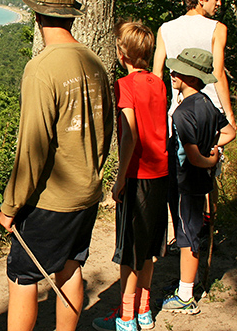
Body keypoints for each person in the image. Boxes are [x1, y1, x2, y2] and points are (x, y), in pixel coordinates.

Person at [0, 0, 114, 331]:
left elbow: (33, 147)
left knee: (22, 276)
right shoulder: (95, 63)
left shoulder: (41, 69)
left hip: (50, 200)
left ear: (38, 18)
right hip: (86, 191)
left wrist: (11, 206)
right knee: (70, 267)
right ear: (70, 18)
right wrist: (91, 170)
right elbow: (105, 131)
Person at [92, 21, 169, 331]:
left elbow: (129, 136)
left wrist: (120, 177)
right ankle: (144, 310)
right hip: (161, 175)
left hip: (138, 178)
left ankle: (126, 318)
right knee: (149, 248)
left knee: (129, 254)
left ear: (122, 53)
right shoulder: (159, 84)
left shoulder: (125, 86)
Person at [160, 48, 236, 315]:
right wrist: (213, 147)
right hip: (199, 182)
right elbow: (229, 131)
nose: (172, 74)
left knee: (186, 236)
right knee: (190, 231)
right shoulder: (207, 103)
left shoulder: (182, 114)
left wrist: (209, 159)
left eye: (177, 71)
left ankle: (185, 296)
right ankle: (186, 282)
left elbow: (192, 157)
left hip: (185, 182)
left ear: (190, 77)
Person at [153, 0, 236, 129]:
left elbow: (157, 76)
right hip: (211, 110)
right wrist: (229, 114)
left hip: (179, 112)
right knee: (209, 153)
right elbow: (218, 74)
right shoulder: (218, 28)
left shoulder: (165, 29)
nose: (219, 3)